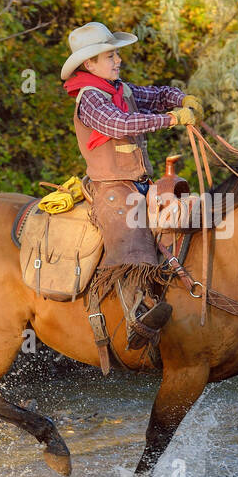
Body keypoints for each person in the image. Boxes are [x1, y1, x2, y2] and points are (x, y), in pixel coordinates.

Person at [60, 21, 203, 355]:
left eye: (116, 54)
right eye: (109, 56)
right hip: (110, 186)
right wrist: (172, 119)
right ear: (89, 64)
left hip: (139, 182)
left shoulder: (120, 89)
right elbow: (120, 124)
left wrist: (184, 98)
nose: (117, 60)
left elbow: (156, 94)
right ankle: (135, 316)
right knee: (134, 238)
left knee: (188, 217)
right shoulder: (90, 99)